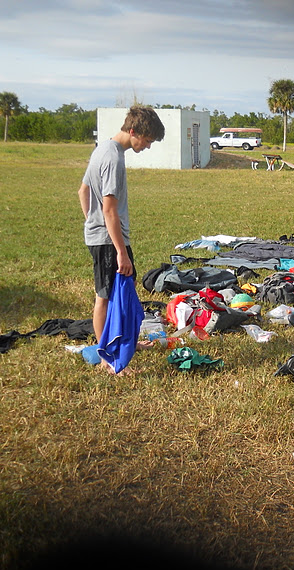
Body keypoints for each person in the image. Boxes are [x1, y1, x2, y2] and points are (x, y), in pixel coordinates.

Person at [79, 105, 165, 374]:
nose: (148, 146)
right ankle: (109, 359)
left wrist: (91, 224)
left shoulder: (103, 148)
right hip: (108, 241)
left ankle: (122, 342)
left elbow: (82, 191)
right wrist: (120, 250)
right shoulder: (113, 158)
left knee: (119, 293)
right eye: (148, 140)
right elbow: (108, 208)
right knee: (105, 297)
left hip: (103, 236)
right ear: (133, 131)